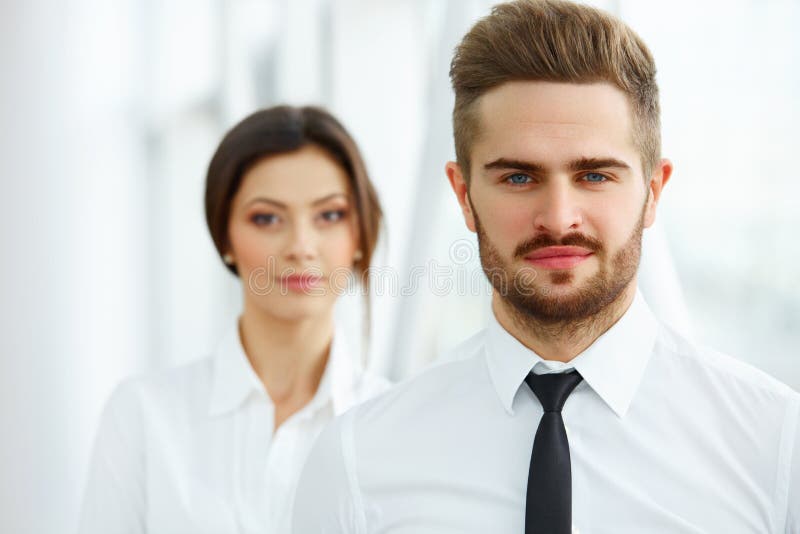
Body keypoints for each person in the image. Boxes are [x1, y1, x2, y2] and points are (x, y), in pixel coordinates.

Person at [291, 1, 800, 533]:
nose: (558, 219)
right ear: (463, 196)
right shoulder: (358, 462)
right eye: (517, 178)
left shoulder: (775, 445)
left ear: (653, 193)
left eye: (595, 176)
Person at [78, 105, 389, 534]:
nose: (301, 245)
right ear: (225, 236)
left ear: (359, 234)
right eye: (267, 218)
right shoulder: (142, 417)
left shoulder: (397, 427)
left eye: (329, 215)